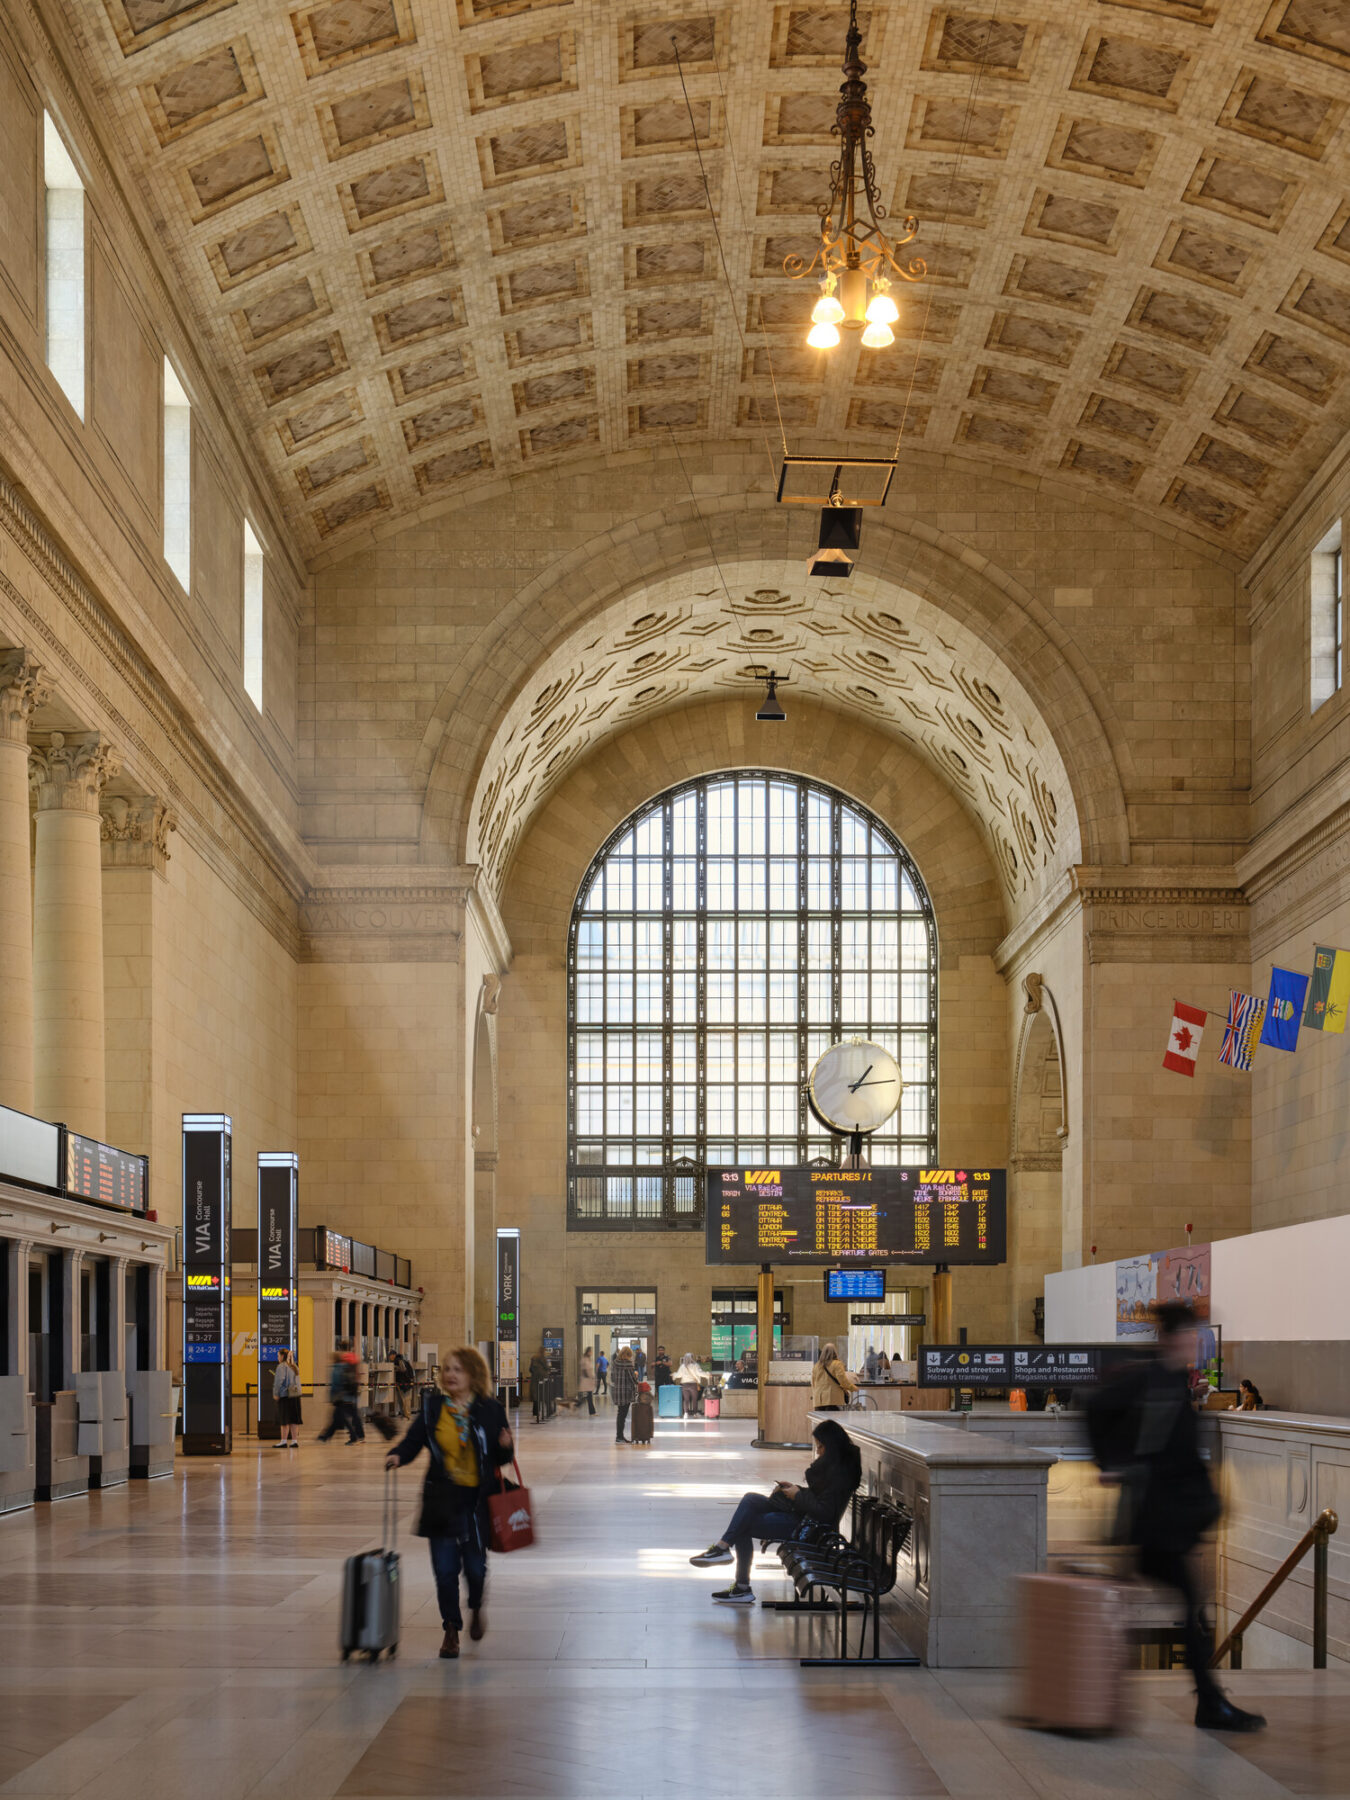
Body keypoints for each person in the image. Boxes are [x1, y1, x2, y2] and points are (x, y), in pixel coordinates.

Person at [1087, 1303, 1265, 1733]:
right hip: (1155, 1523)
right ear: (1171, 1338)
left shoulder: (1171, 1382)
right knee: (1186, 1609)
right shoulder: (1148, 1379)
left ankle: (1201, 1701)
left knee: (1185, 1608)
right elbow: (1094, 1407)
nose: (1193, 1344)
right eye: (1188, 1336)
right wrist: (1108, 1463)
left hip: (1165, 1522)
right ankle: (1207, 1703)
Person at [386, 1346, 514, 1660]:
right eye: (447, 1369)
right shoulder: (433, 1408)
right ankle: (451, 1629)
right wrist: (398, 1455)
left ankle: (476, 1607)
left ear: (473, 1374)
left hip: (476, 1501)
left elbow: (502, 1458)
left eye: (458, 1369)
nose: (450, 1375)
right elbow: (414, 1441)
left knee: (475, 1567)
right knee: (444, 1570)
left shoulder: (490, 1409)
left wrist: (506, 1447)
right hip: (441, 1500)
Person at [689, 1418, 863, 1603]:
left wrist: (798, 1495)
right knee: (750, 1499)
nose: (818, 1451)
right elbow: (819, 1498)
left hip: (811, 1529)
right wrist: (794, 1489)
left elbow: (825, 1512)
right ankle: (723, 1549)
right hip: (803, 1516)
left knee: (743, 1525)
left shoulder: (840, 1475)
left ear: (832, 1446)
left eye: (821, 1446)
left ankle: (739, 1583)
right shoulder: (836, 1466)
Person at [317, 1342, 364, 1444]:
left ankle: (353, 1436)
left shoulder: (339, 1365)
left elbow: (336, 1384)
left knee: (342, 1417)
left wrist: (332, 1396)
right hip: (353, 1391)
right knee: (344, 1416)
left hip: (342, 1396)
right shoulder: (353, 1359)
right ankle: (326, 1436)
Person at [811, 1340, 857, 1411]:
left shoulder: (816, 1366)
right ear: (834, 1352)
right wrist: (853, 1388)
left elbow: (813, 1383)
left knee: (820, 1418)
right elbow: (842, 1381)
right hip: (833, 1399)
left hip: (819, 1400)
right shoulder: (837, 1364)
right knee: (833, 1417)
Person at [272, 1347, 302, 1448]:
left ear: (282, 1356)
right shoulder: (294, 1366)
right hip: (295, 1395)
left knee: (284, 1419)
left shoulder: (281, 1366)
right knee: (294, 1419)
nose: (277, 1358)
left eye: (278, 1356)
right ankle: (294, 1441)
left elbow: (279, 1381)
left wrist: (276, 1393)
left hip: (285, 1395)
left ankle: (283, 1441)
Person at [610, 1345, 639, 1443]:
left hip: (618, 1391)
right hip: (626, 1392)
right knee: (623, 1415)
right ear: (628, 1354)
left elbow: (612, 1378)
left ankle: (619, 1436)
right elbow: (632, 1379)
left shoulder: (615, 1363)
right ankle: (619, 1437)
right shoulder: (628, 1364)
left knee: (620, 1414)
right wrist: (636, 1376)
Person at [674, 1352, 705, 1417]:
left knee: (686, 1399)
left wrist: (674, 1375)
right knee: (694, 1399)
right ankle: (695, 1413)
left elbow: (679, 1375)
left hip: (684, 1384)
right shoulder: (695, 1365)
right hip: (693, 1384)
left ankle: (686, 1413)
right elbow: (700, 1373)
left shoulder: (682, 1366)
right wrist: (707, 1375)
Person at [529, 1344, 552, 1423]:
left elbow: (530, 1369)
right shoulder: (543, 1358)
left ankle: (535, 1413)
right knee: (545, 1395)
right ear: (543, 1351)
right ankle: (549, 1410)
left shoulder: (533, 1357)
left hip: (534, 1379)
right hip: (543, 1379)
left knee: (536, 1396)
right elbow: (547, 1367)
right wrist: (549, 1368)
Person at [392, 1350, 414, 1418]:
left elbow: (402, 1370)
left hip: (402, 1383)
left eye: (390, 1356)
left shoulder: (397, 1361)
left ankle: (406, 1414)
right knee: (407, 1399)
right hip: (408, 1383)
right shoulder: (406, 1361)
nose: (389, 1357)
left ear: (393, 1355)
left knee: (403, 1400)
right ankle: (407, 1414)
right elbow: (411, 1372)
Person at [577, 1348, 596, 1416]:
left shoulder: (587, 1359)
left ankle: (576, 1405)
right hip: (586, 1381)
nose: (592, 1353)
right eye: (591, 1351)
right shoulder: (585, 1360)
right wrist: (591, 1377)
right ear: (588, 1352)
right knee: (589, 1397)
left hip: (587, 1381)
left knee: (587, 1397)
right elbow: (586, 1371)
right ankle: (592, 1412)